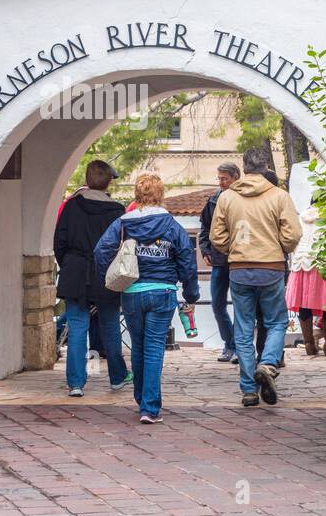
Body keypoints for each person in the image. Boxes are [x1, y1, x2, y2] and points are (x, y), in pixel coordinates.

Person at [95, 173, 199, 424]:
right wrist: (191, 292)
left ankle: (142, 398)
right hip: (163, 292)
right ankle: (149, 408)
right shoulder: (172, 225)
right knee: (154, 348)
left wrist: (107, 280)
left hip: (132, 293)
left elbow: (101, 250)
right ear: (160, 194)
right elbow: (187, 258)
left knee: (139, 346)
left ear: (137, 194)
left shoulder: (124, 222)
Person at [209, 147, 302, 408]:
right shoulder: (279, 196)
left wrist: (233, 250)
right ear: (265, 167)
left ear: (245, 167)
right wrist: (279, 247)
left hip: (239, 269)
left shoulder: (227, 197)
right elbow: (293, 234)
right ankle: (269, 362)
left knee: (243, 328)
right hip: (271, 267)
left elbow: (217, 236)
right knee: (276, 322)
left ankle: (249, 389)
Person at [54, 160, 129, 397]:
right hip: (105, 273)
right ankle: (117, 377)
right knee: (109, 326)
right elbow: (122, 245)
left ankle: (76, 383)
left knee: (77, 327)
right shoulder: (117, 211)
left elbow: (59, 242)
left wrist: (68, 263)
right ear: (108, 181)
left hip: (75, 272)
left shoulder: (71, 207)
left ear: (87, 180)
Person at [285, 197, 326, 356]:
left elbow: (293, 239)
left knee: (304, 305)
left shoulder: (300, 217)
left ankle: (309, 344)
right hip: (325, 264)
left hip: (301, 263)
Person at [198, 162, 240, 363]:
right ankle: (229, 342)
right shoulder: (214, 199)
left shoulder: (243, 199)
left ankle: (239, 346)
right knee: (217, 304)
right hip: (219, 261)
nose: (221, 182)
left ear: (235, 178)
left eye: (225, 178)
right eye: (219, 178)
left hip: (240, 260)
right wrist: (206, 249)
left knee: (242, 306)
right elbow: (204, 228)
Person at [254, 168, 291, 368]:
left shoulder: (250, 203)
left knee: (260, 317)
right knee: (275, 317)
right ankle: (274, 356)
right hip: (275, 264)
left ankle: (262, 356)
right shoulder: (279, 201)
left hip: (247, 266)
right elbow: (291, 234)